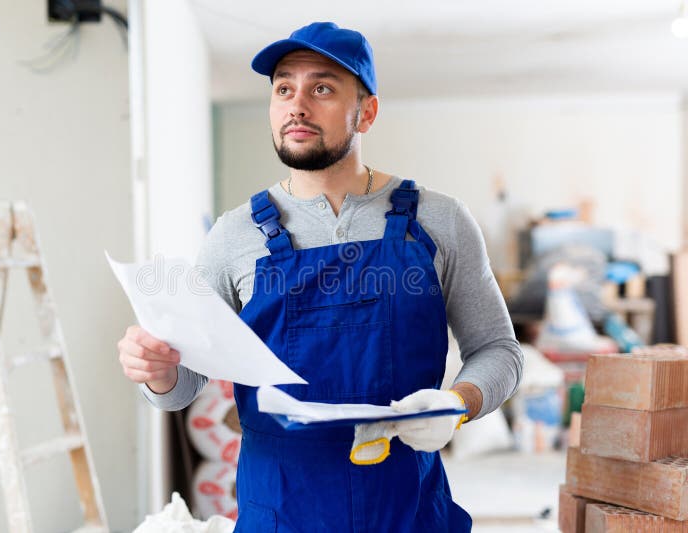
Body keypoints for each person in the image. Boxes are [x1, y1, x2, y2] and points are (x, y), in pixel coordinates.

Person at [118, 21, 523, 532]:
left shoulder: (440, 221)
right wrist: (157, 369)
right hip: (282, 513)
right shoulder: (234, 236)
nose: (297, 104)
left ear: (367, 112)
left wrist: (455, 405)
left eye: (323, 88)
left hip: (408, 511)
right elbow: (183, 386)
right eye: (284, 88)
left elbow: (500, 351)